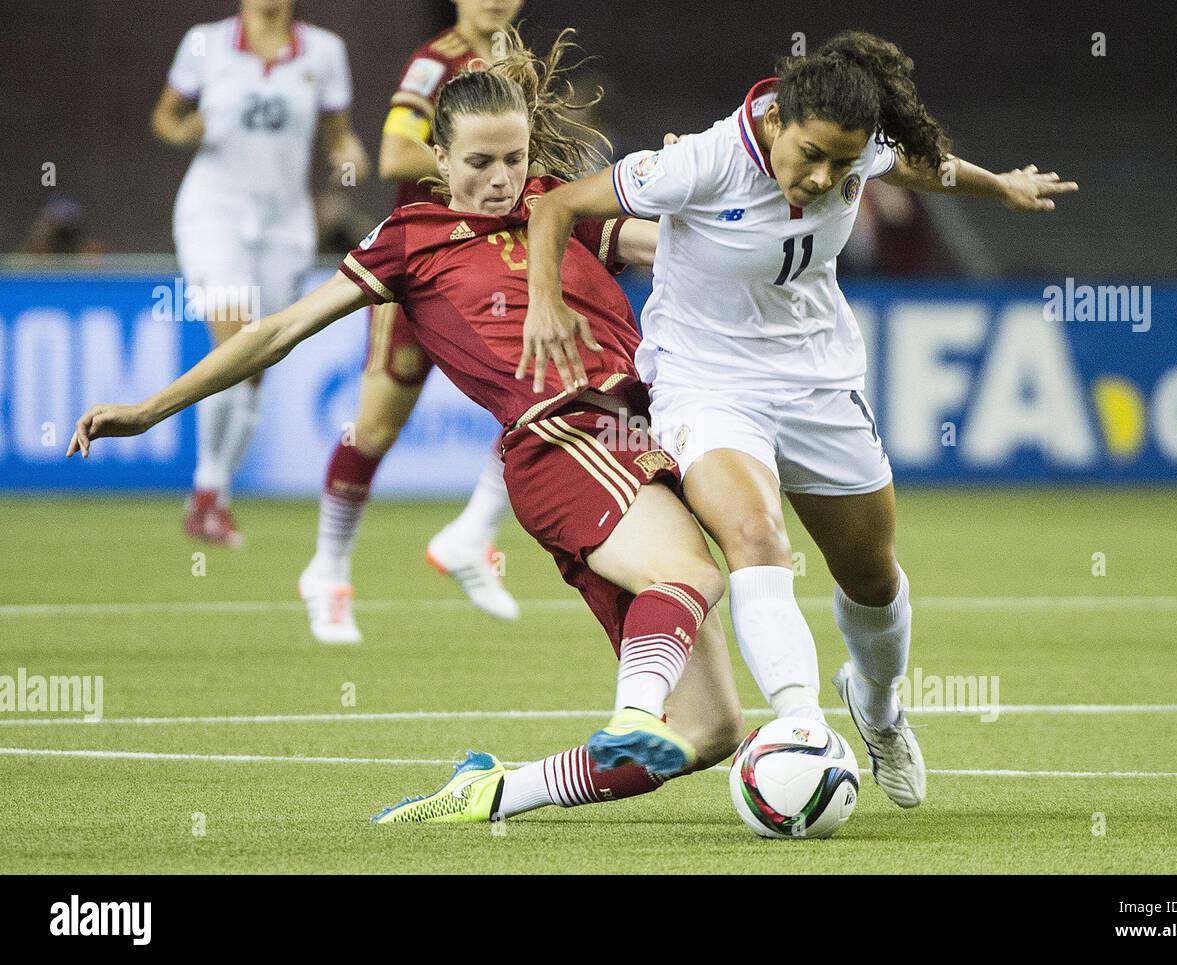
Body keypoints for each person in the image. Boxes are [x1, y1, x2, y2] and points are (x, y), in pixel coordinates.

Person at [68, 34, 746, 825]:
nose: (500, 181)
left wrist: (697, 196)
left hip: (636, 439)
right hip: (562, 439)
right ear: (438, 155)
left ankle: (493, 791)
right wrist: (151, 407)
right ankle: (632, 712)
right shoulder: (409, 241)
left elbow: (691, 252)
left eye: (515, 160)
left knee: (709, 731)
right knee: (692, 575)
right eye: (479, 163)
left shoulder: (559, 207)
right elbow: (278, 329)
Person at [522, 30, 1079, 809]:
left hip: (818, 381)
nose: (823, 177)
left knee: (874, 579)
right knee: (755, 536)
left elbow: (919, 163)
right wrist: (543, 300)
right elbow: (557, 204)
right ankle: (802, 728)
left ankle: (878, 711)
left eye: (843, 165)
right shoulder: (702, 162)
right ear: (778, 117)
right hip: (707, 382)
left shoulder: (858, 149)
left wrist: (1000, 187)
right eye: (811, 154)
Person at [300, 0, 528, 643]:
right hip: (422, 270)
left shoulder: (519, 66)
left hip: (493, 267)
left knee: (546, 396)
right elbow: (397, 155)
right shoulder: (435, 64)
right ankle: (328, 570)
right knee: (374, 427)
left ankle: (474, 533)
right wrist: (483, 163)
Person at [152, 0, 369, 547]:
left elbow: (337, 134)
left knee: (257, 361)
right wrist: (184, 132)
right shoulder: (205, 42)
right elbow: (165, 116)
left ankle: (212, 496)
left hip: (284, 225)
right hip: (213, 212)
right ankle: (206, 494)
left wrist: (349, 157)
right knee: (236, 337)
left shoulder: (324, 50)